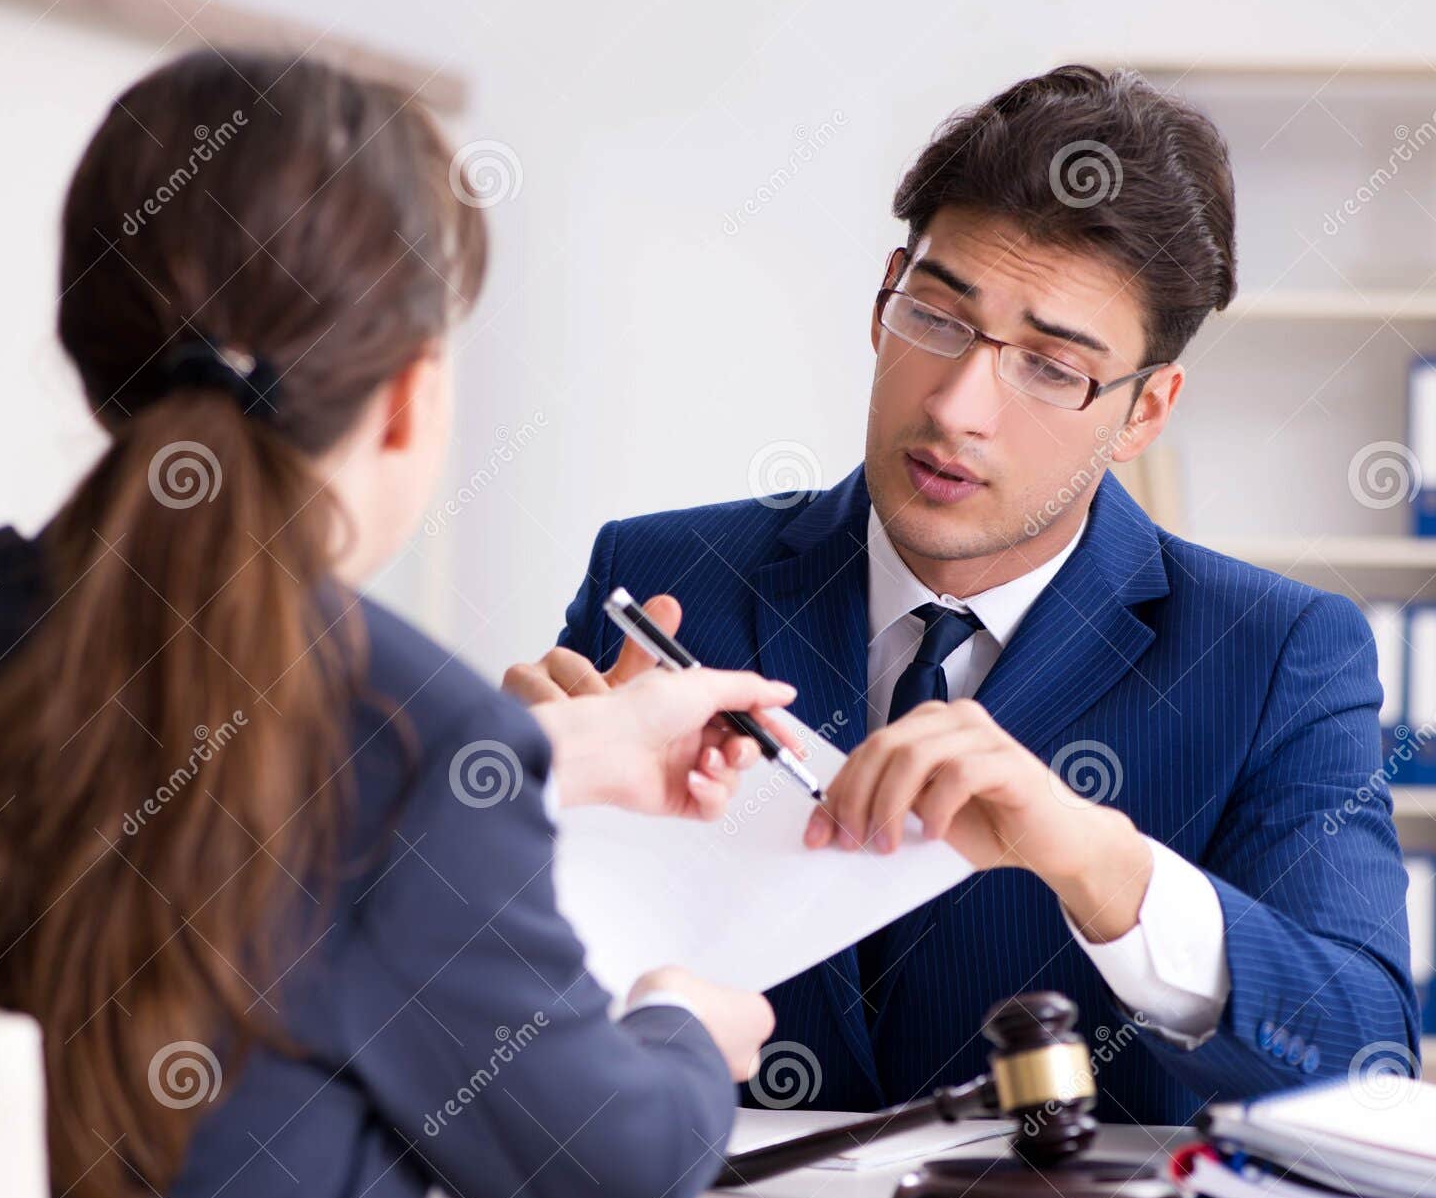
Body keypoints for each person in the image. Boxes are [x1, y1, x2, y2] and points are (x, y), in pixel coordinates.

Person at [0, 50, 796, 1198]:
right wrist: (682, 1030)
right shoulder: (413, 750)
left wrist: (539, 753)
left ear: (91, 350)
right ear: (408, 398)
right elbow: (609, 1169)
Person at [506, 65, 1421, 1124]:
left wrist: (1099, 862)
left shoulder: (1274, 651)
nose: (956, 405)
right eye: (936, 318)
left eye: (1049, 366)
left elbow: (1364, 1059)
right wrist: (505, 817)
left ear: (1143, 412)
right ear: (883, 298)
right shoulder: (666, 578)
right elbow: (476, 1033)